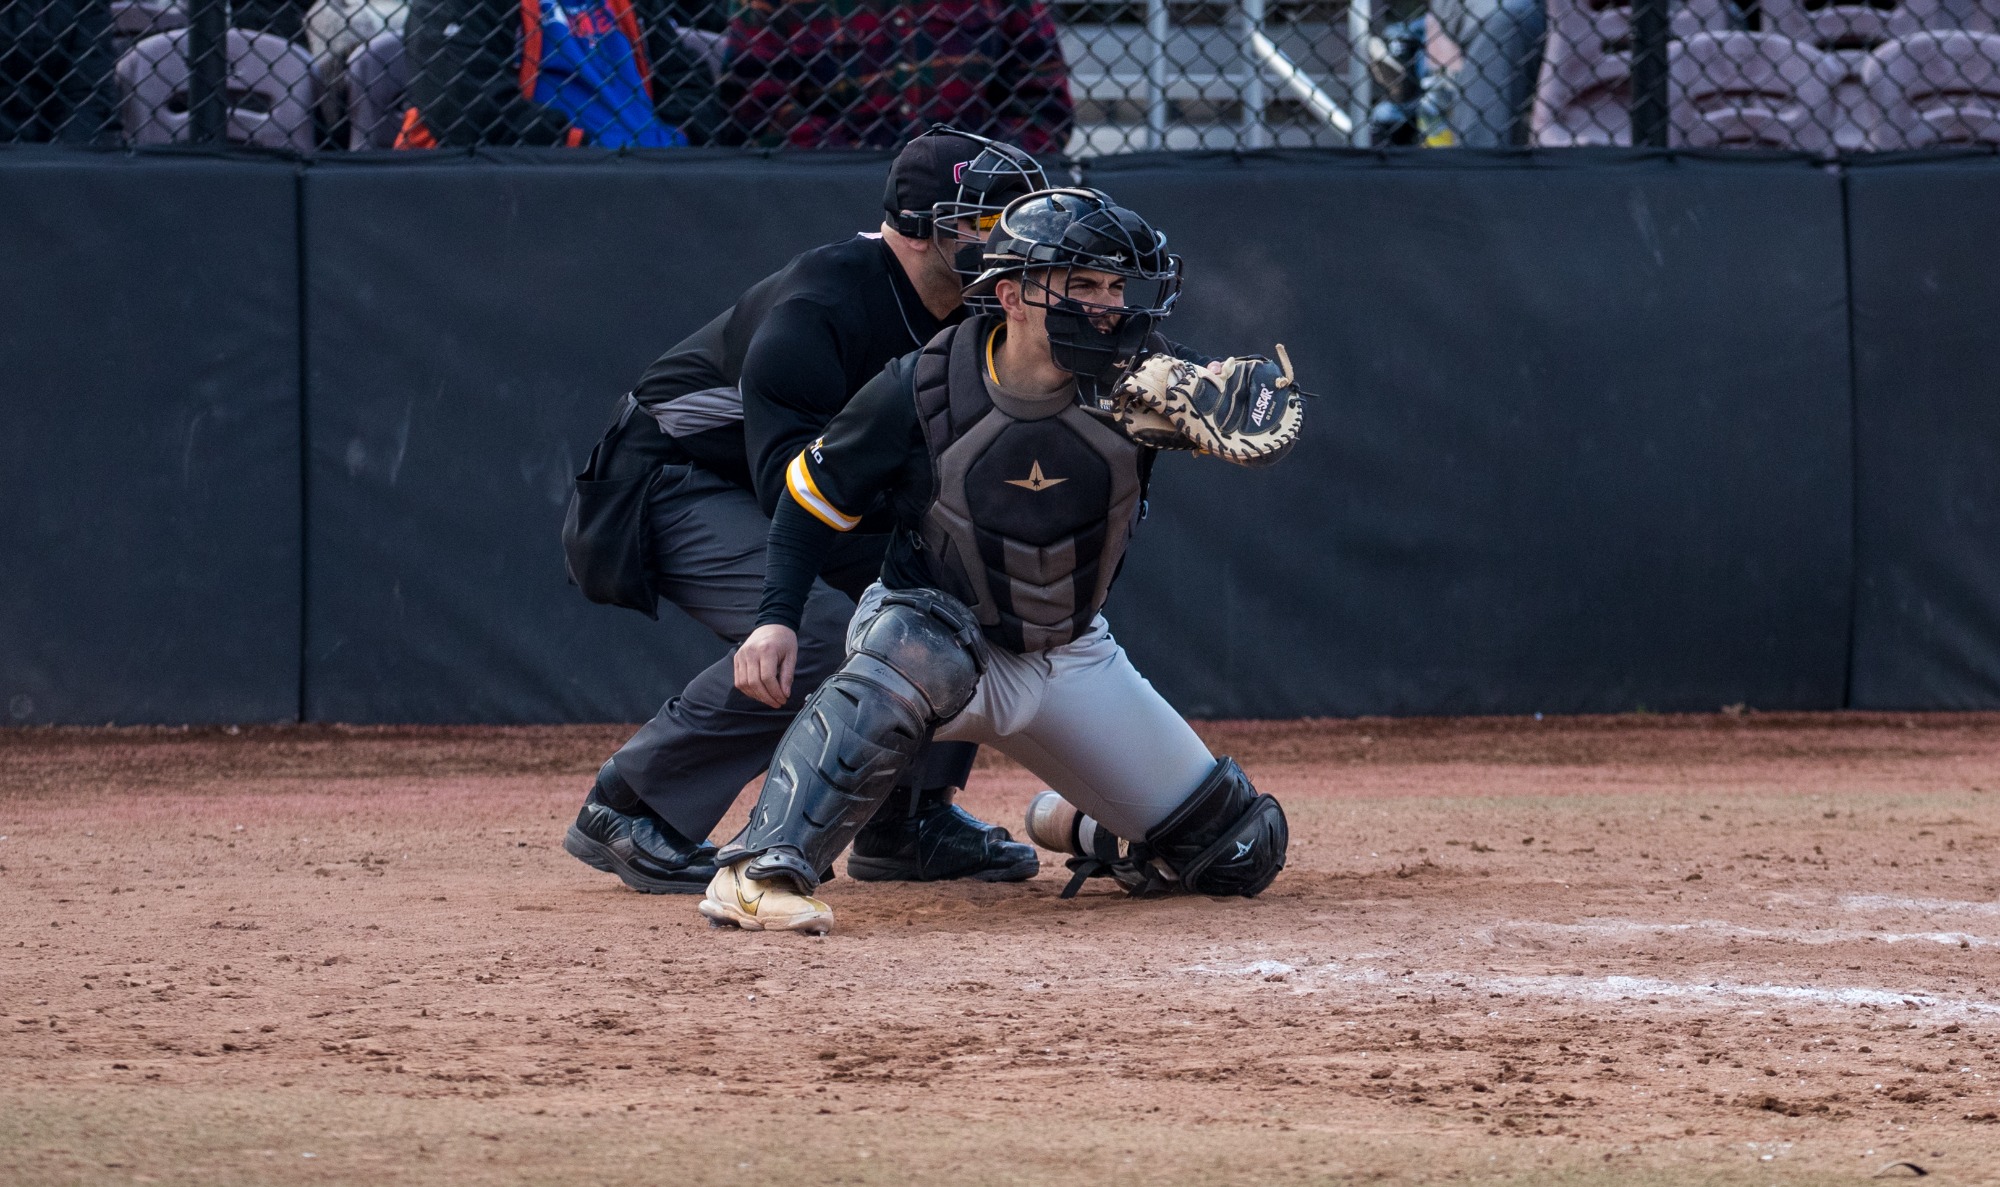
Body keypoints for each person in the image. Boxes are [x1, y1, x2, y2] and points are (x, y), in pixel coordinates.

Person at [702, 188, 1305, 933]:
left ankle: (1078, 820)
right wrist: (775, 621)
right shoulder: (920, 383)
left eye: (1117, 286)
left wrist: (1238, 401)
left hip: (1070, 653)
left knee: (1242, 849)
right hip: (931, 639)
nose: (1108, 305)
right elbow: (810, 497)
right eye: (1081, 284)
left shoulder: (1145, 381)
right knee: (926, 645)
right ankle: (759, 867)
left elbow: (1231, 395)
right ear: (1014, 295)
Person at [560, 128, 1050, 895]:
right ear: (919, 227)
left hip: (781, 486)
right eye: (987, 224)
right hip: (666, 482)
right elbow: (789, 489)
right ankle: (633, 803)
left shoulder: (978, 313)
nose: (1014, 242)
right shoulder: (823, 302)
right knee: (825, 631)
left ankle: (906, 820)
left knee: (955, 585)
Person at [715, 0, 1074, 152]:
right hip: (828, 197)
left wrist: (983, 171)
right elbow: (752, 104)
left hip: (973, 203)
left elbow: (1044, 100)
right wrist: (857, 168)